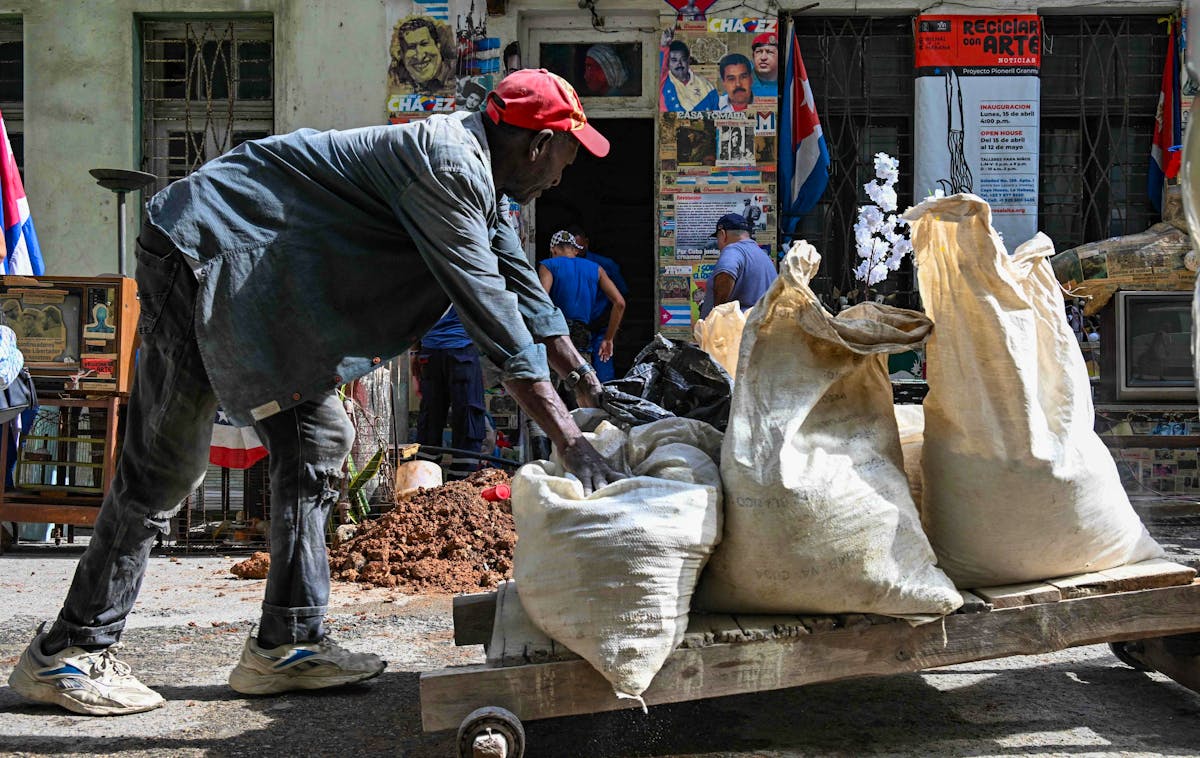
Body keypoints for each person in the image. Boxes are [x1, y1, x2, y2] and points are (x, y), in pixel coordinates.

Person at [6, 69, 625, 716]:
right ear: (535, 145)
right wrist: (571, 441)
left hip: (265, 280)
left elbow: (521, 283)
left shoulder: (485, 180)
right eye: (566, 155)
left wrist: (584, 380)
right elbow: (492, 311)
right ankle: (67, 650)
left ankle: (287, 643)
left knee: (317, 438)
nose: (562, 175)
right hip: (204, 251)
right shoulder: (449, 166)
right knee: (162, 468)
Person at [538, 230, 625, 405]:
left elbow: (541, 301)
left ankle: (543, 431)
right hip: (581, 332)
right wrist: (609, 339)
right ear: (576, 250)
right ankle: (589, 428)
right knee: (583, 387)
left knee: (548, 388)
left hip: (555, 331)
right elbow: (620, 303)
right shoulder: (595, 269)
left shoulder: (548, 265)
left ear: (553, 249)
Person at [413, 307, 486, 480]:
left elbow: (415, 314)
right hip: (462, 350)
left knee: (430, 417)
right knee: (468, 415)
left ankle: (426, 482)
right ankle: (462, 484)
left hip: (429, 351)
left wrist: (415, 352)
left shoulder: (424, 280)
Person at [567, 223, 628, 382]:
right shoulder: (562, 266)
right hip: (576, 328)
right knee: (579, 376)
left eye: (580, 246)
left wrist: (613, 327)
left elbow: (621, 299)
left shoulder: (604, 266)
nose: (577, 251)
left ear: (586, 242)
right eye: (573, 247)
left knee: (604, 375)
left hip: (601, 325)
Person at [700, 213, 777, 318]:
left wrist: (718, 314)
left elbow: (726, 271)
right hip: (759, 328)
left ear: (723, 234)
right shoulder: (762, 255)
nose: (718, 243)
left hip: (736, 331)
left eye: (717, 238)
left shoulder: (732, 250)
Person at [388, 16, 455, 93]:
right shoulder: (396, 79)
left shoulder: (459, 73)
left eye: (424, 44)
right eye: (411, 47)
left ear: (438, 46)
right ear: (402, 54)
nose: (420, 56)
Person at [661, 40, 719, 112]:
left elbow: (716, 116)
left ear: (688, 60)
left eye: (683, 59)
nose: (679, 64)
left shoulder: (706, 86)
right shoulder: (663, 84)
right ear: (668, 62)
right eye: (674, 60)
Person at [751, 32, 779, 98]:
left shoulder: (789, 84)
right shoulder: (740, 86)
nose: (763, 57)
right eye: (758, 52)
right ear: (753, 56)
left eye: (769, 52)